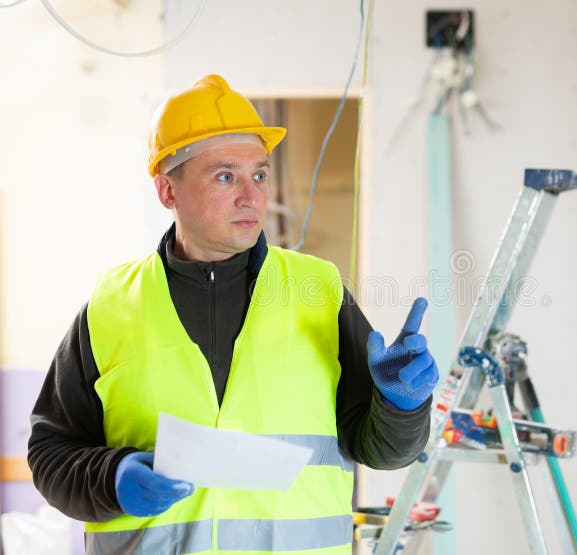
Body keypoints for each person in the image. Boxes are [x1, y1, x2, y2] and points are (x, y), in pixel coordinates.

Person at [28, 74, 439, 555]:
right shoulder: (112, 304)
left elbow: (384, 452)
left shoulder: (320, 291)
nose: (252, 196)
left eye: (260, 174)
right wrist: (111, 477)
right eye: (226, 176)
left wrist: (403, 406)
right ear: (167, 191)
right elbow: (50, 454)